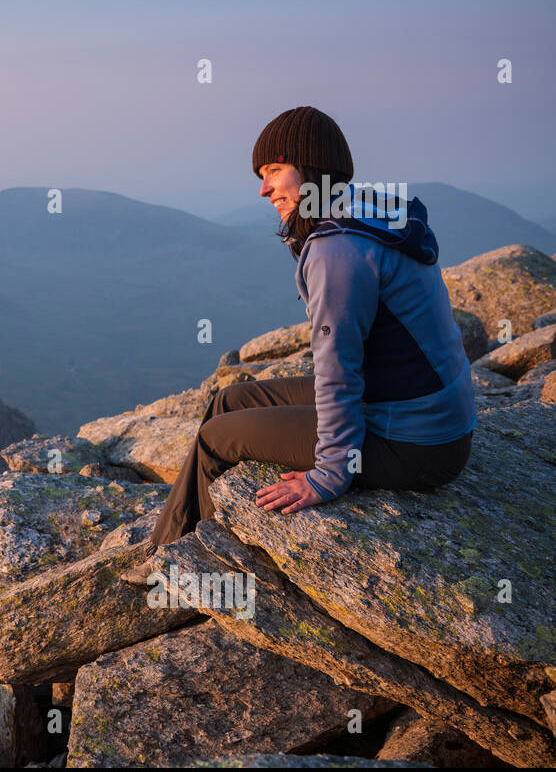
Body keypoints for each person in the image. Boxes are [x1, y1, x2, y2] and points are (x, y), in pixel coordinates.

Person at [147, 106, 476, 547]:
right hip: (417, 411)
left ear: (313, 167)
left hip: (416, 443)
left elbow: (338, 367)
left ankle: (184, 565)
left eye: (275, 170)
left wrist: (330, 474)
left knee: (213, 438)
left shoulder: (338, 249)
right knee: (227, 400)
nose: (264, 189)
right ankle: (170, 542)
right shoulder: (369, 213)